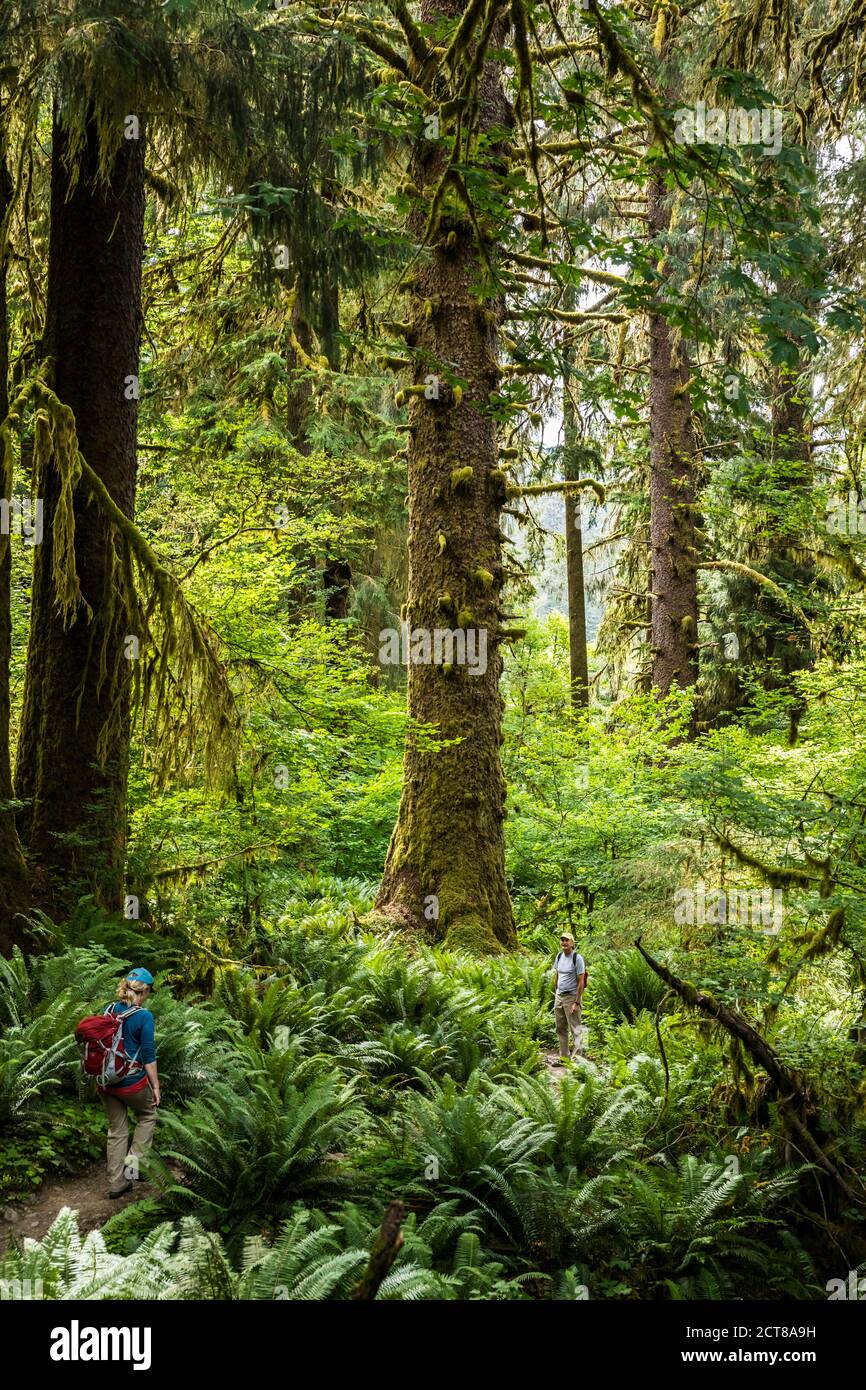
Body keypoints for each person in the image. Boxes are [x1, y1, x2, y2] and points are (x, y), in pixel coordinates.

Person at [98, 968, 160, 1198]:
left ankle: (117, 1184)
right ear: (144, 991)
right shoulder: (143, 1016)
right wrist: (155, 1087)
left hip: (105, 1080)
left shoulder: (109, 1009)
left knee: (116, 1130)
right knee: (147, 1115)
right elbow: (148, 1055)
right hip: (130, 1082)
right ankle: (133, 1168)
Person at [550, 932, 586, 1066]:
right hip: (559, 997)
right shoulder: (559, 956)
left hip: (571, 997)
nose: (564, 942)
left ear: (572, 943)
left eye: (567, 940)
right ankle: (564, 1058)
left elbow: (581, 982)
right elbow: (558, 975)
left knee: (575, 1029)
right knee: (560, 1028)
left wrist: (576, 1002)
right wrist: (556, 992)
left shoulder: (577, 958)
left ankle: (579, 1062)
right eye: (562, 940)